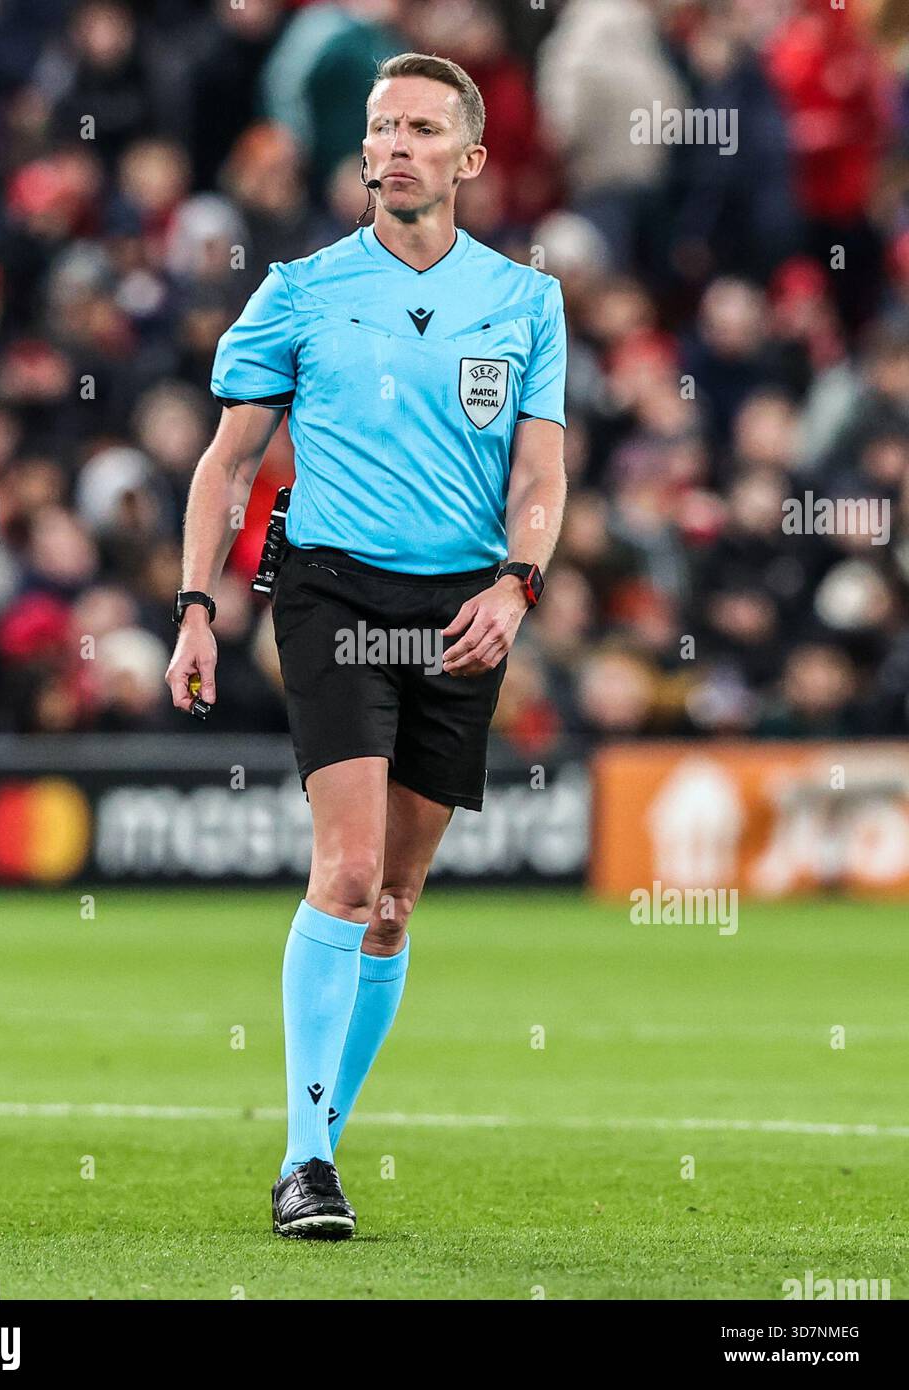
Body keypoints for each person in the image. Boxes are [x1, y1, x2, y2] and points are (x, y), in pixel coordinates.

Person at [165, 51, 568, 1239]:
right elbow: (226, 463)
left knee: (392, 903)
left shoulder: (525, 300)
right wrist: (195, 605)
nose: (393, 145)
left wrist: (516, 583)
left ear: (469, 159)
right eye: (379, 128)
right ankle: (303, 1164)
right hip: (331, 592)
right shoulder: (297, 289)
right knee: (342, 873)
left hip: (461, 606)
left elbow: (539, 472)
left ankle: (316, 1151)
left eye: (420, 129)